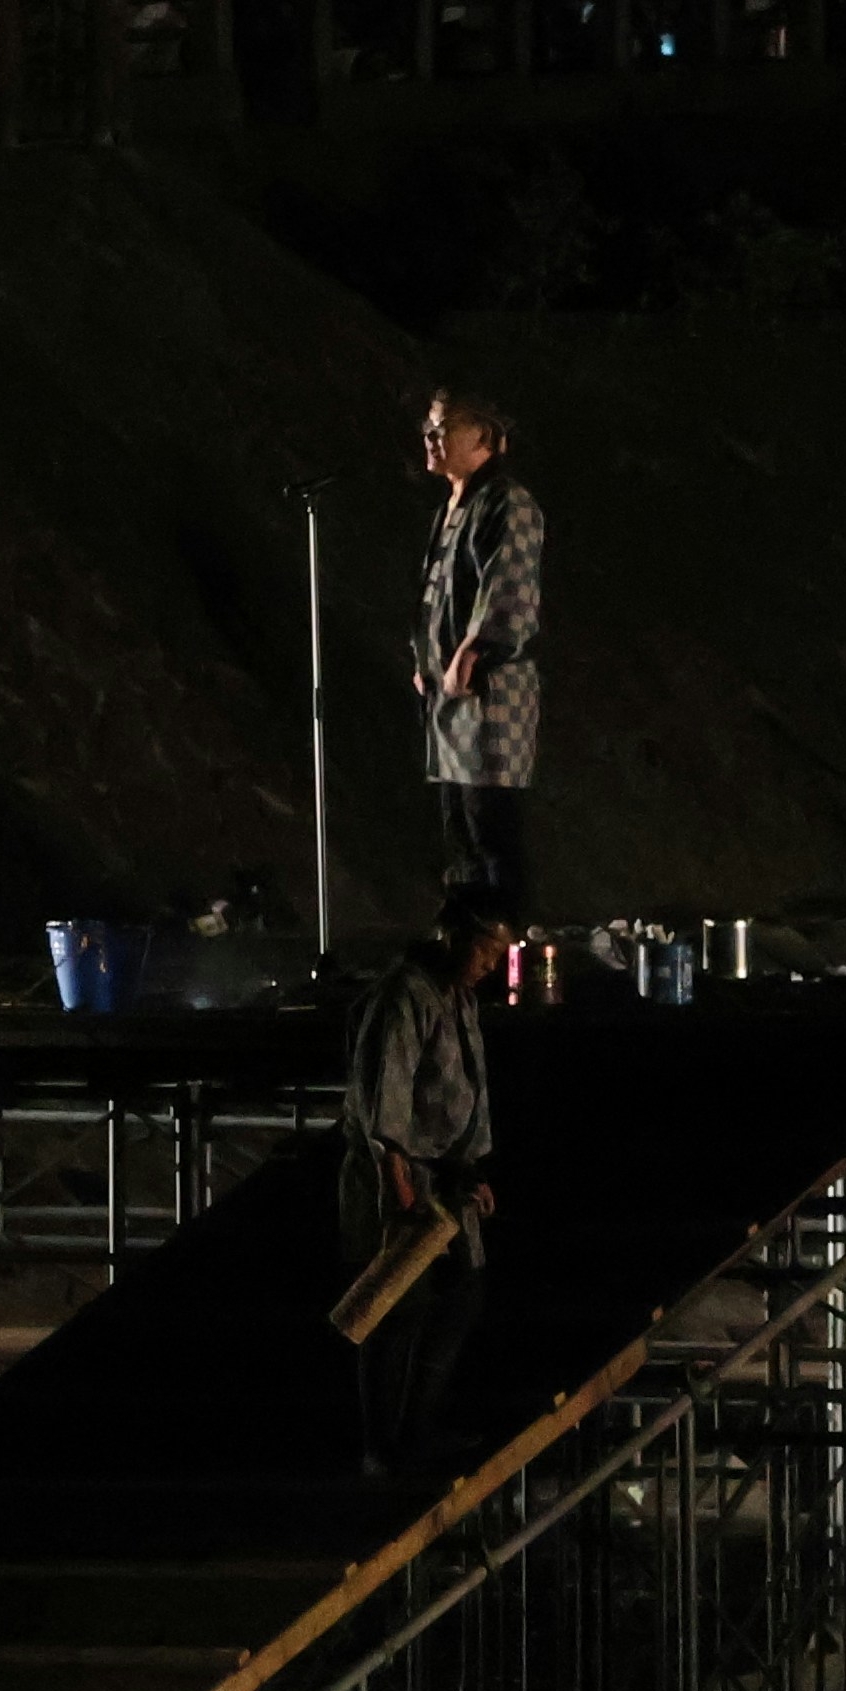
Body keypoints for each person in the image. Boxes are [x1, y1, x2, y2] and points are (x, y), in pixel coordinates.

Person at [343, 887, 516, 1471]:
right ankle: (380, 1446)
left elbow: (465, 1092)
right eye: (485, 953)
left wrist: (470, 1169)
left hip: (444, 1174)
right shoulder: (403, 998)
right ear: (455, 940)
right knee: (398, 1306)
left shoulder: (458, 999)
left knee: (462, 1291)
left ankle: (417, 1429)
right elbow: (385, 1108)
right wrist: (401, 1194)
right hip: (398, 1172)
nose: (489, 966)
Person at [410, 387, 547, 911]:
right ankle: (465, 949)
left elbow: (509, 588)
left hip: (492, 690)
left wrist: (471, 652)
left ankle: (506, 948)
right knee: (458, 834)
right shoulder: (450, 507)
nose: (430, 437)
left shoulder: (508, 502)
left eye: (442, 428)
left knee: (491, 826)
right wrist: (424, 661)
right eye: (429, 426)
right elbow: (435, 595)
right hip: (449, 694)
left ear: (482, 437)